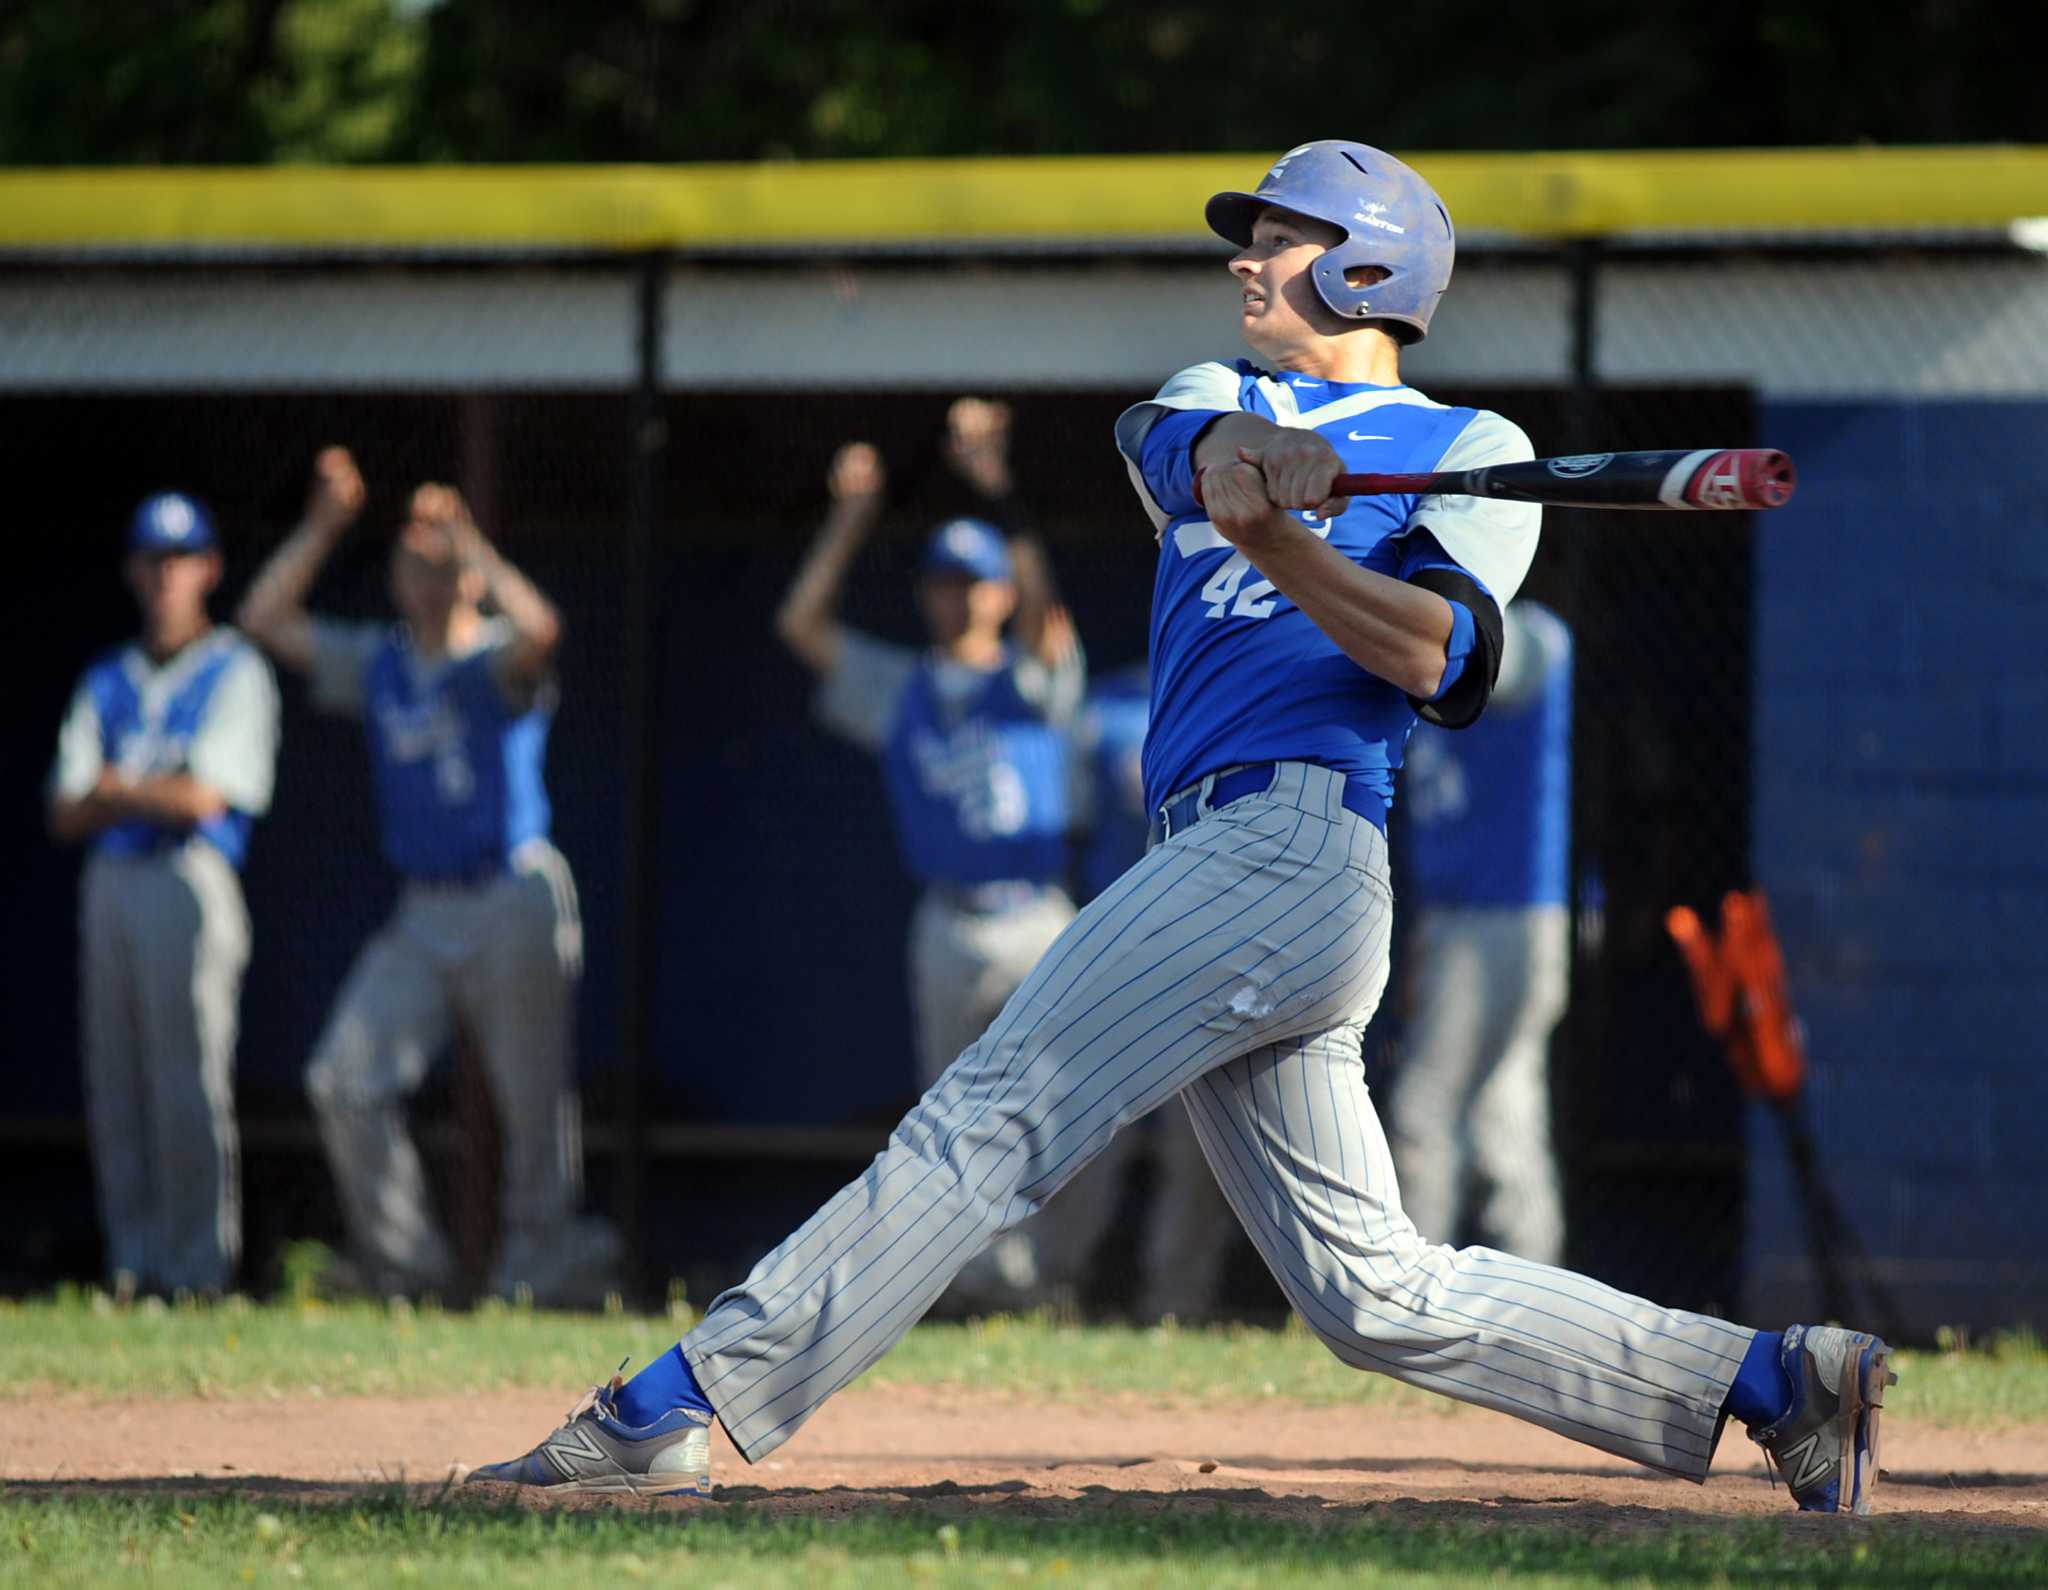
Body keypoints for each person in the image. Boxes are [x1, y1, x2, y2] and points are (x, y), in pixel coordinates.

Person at [471, 140, 1895, 1515]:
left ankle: (679, 1401)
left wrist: (1292, 542)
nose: (1248, 257)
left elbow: (1442, 661)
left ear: (1369, 267)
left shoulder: (1473, 449)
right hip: (1221, 860)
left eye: (1282, 236)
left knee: (991, 1115)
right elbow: (1172, 449)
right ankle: (1777, 1384)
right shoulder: (1218, 387)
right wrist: (1254, 467)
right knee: (1374, 1293)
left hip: (1293, 845)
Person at [238, 448, 616, 1306]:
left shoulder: (491, 655)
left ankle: (538, 1270)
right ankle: (405, 1271)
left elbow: (545, 632)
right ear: (395, 576)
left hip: (513, 894)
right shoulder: (379, 661)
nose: (432, 581)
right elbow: (264, 617)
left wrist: (471, 544)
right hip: (425, 909)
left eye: (444, 567)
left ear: (472, 577)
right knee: (344, 1077)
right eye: (417, 564)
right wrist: (326, 525)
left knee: (532, 1105)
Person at [771, 397, 1112, 1311]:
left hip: (1037, 914)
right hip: (948, 918)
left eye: (975, 581)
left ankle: (1055, 1278)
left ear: (999, 590)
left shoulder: (1033, 673)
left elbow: (1046, 613)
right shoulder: (905, 687)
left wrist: (996, 484)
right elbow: (801, 627)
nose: (959, 595)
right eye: (944, 581)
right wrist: (850, 518)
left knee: (1067, 1105)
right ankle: (979, 1287)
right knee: (950, 1113)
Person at [47, 492, 280, 1298]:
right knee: (118, 1085)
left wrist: (119, 786)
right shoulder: (108, 674)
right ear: (132, 569)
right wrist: (144, 791)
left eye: (179, 559)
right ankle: (133, 1266)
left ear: (208, 568)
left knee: (188, 1086)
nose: (164, 575)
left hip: (192, 879)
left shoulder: (234, 667)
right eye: (151, 558)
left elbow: (207, 798)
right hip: (112, 882)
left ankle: (195, 1272)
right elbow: (64, 809)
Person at [1388, 599, 1573, 1264]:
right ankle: (1539, 1310)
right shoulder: (1427, 638)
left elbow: (1503, 662)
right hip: (1453, 920)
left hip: (1503, 922)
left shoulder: (1539, 636)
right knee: (1504, 1129)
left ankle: (1406, 1302)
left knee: (1424, 1113)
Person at [1068, 663, 1237, 1323]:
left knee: (1201, 1140)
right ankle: (1054, 1288)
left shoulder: (1244, 686)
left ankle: (1178, 1304)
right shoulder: (1107, 703)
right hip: (1120, 936)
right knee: (1080, 1127)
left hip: (1209, 938)